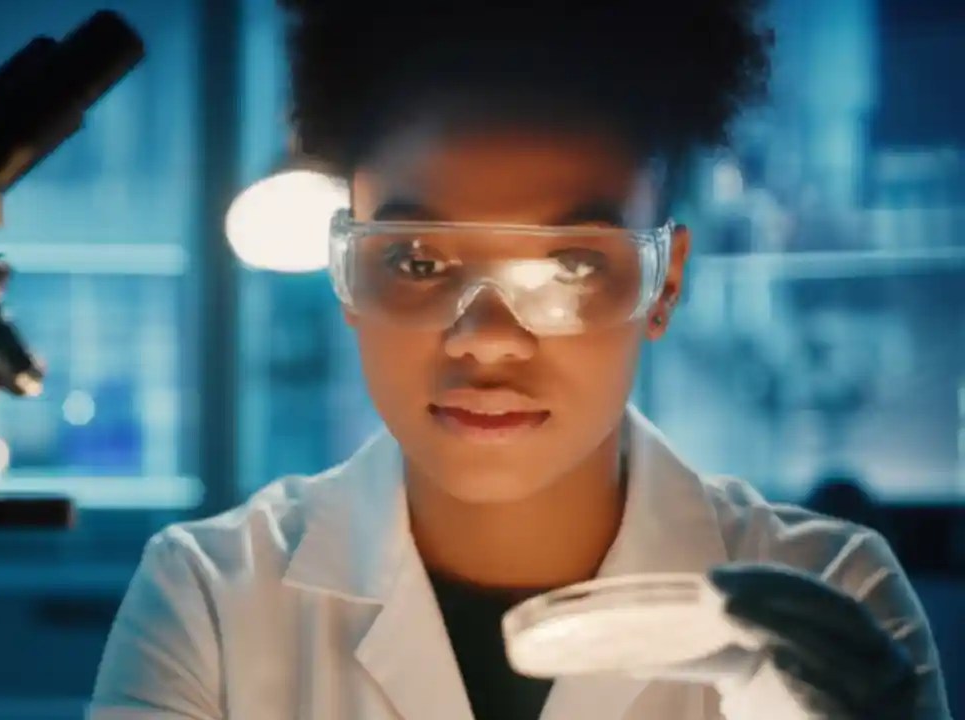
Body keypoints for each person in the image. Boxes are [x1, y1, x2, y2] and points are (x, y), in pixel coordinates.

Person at [89, 0, 951, 718]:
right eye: (417, 261)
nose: (488, 337)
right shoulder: (211, 599)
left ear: (664, 283)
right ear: (345, 272)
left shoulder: (831, 596)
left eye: (570, 266)